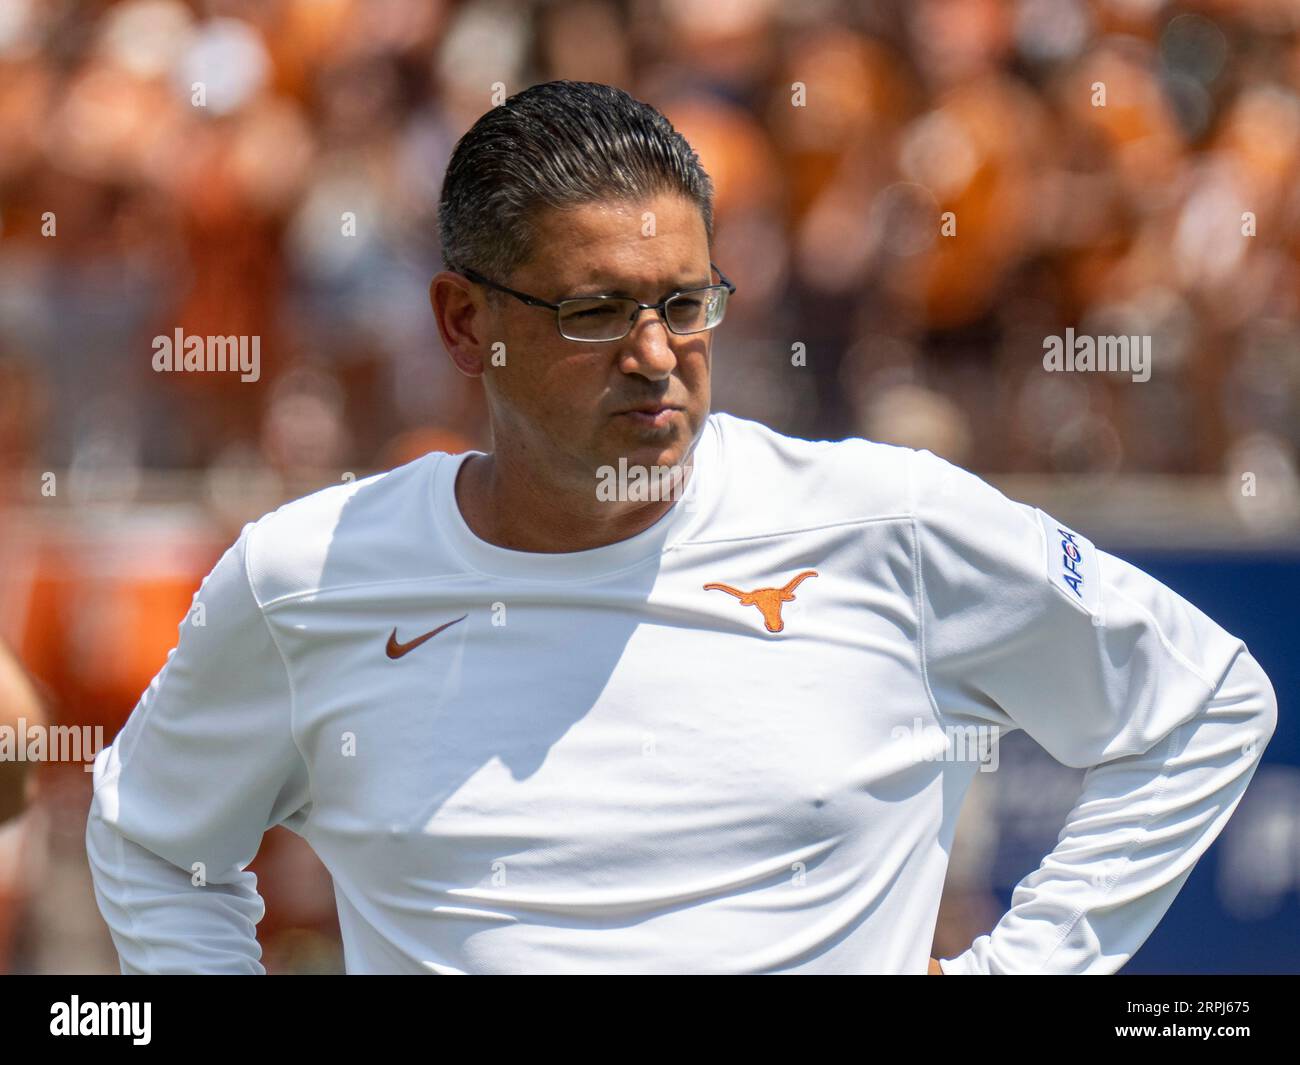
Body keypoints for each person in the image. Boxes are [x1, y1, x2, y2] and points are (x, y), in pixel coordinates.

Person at [86, 80, 1277, 975]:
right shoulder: (307, 578)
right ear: (463, 324)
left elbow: (1206, 704)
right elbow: (152, 842)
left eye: (684, 303)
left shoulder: (887, 522)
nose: (657, 358)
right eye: (596, 310)